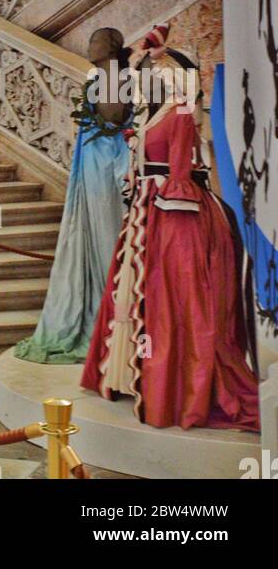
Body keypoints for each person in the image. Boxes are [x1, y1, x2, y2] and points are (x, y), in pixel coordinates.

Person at [82, 28, 260, 431]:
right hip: (149, 212)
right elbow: (112, 113)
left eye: (155, 73)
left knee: (178, 298)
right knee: (143, 294)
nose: (146, 79)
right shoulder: (150, 113)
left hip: (177, 216)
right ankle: (136, 374)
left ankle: (174, 387)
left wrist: (164, 58)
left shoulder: (179, 111)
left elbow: (182, 163)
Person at [14, 27, 134, 364]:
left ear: (109, 45)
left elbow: (113, 118)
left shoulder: (113, 75)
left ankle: (109, 314)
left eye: (96, 40)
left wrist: (91, 117)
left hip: (105, 166)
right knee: (94, 235)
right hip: (95, 163)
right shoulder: (104, 76)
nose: (90, 44)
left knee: (105, 236)